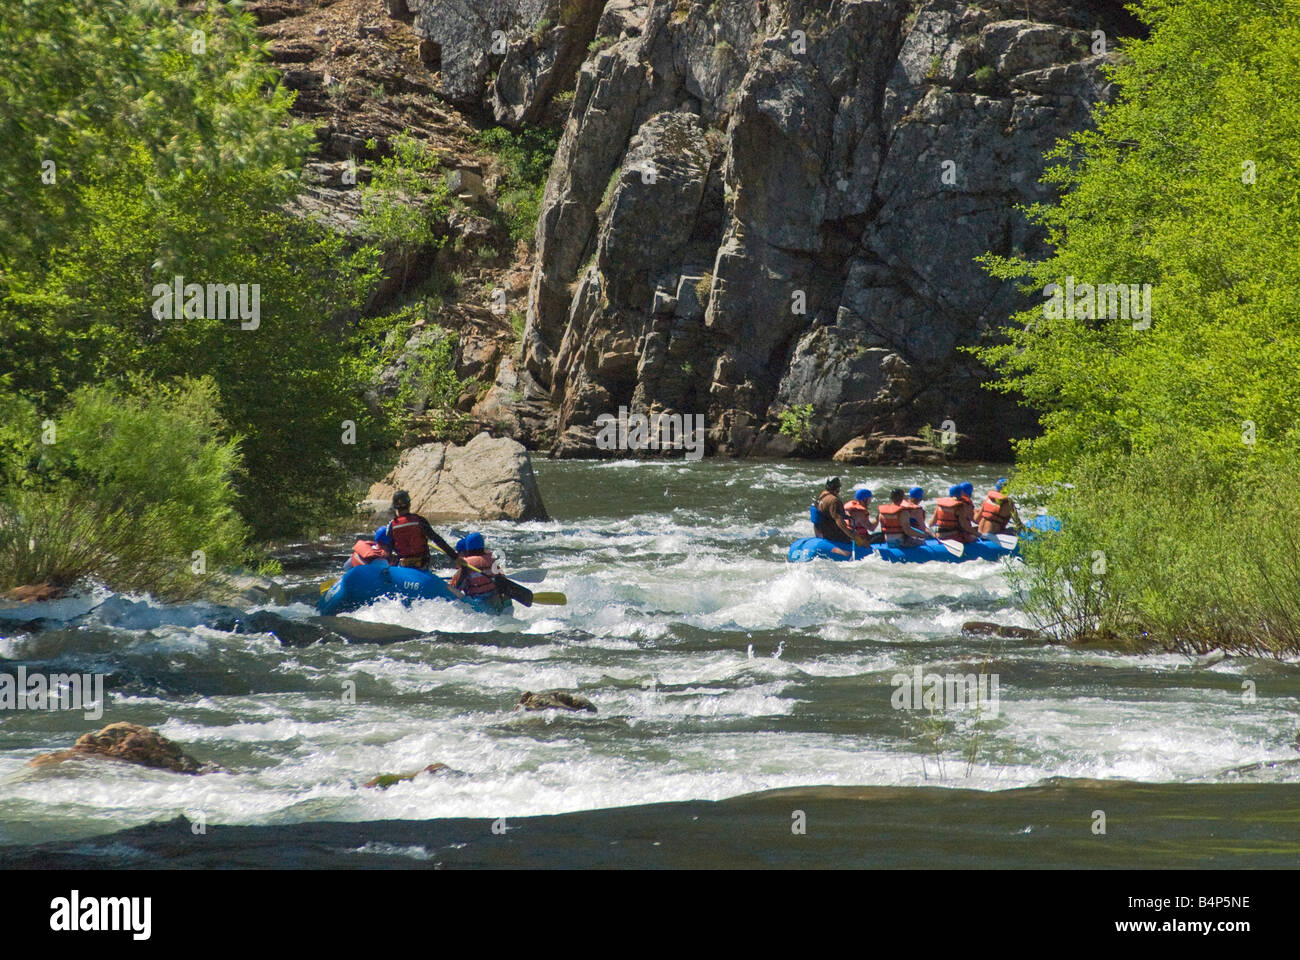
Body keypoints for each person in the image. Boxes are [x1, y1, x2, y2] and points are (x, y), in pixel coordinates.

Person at [382, 490, 437, 569]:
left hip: (403, 564)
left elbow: (388, 549)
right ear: (409, 505)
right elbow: (437, 539)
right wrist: (455, 557)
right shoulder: (420, 520)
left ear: (394, 507)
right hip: (422, 563)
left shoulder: (392, 525)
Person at [448, 532, 503, 601]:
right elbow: (501, 577)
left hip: (477, 602)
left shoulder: (466, 564)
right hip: (494, 599)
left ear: (468, 547)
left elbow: (455, 588)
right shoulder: (492, 560)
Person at [811, 476, 856, 544]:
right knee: (858, 535)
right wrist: (852, 536)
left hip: (819, 532)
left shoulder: (820, 497)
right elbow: (839, 522)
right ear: (837, 488)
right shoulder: (834, 500)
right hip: (831, 535)